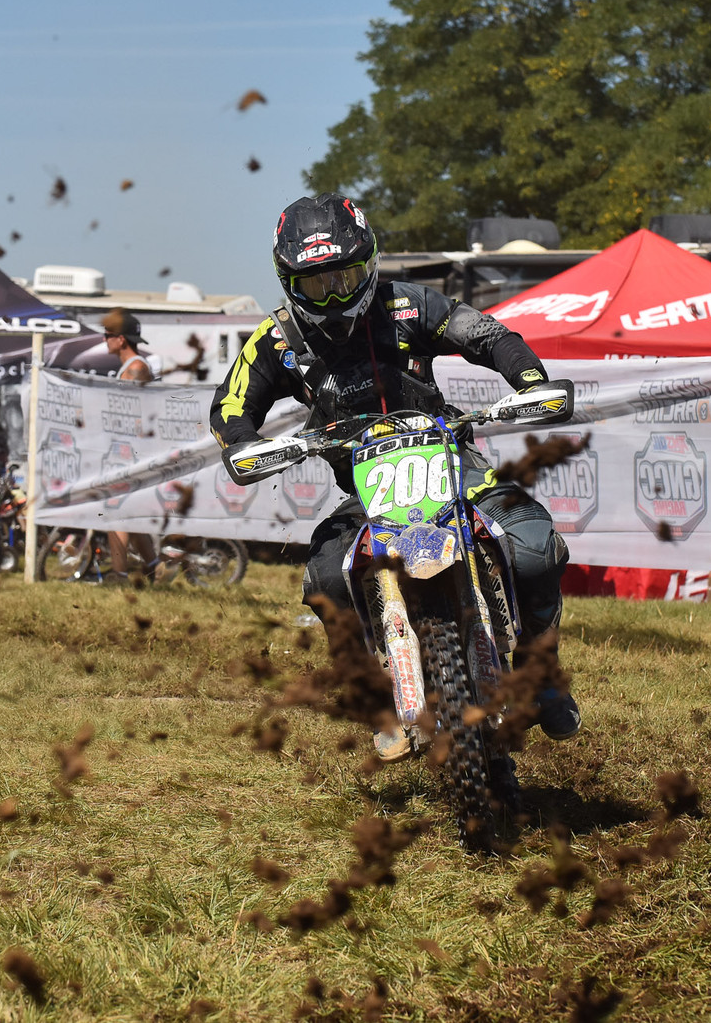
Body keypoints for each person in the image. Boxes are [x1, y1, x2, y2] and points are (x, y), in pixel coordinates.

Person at [207, 193, 580, 761]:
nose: (334, 295)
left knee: (535, 548)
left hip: (454, 465)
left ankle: (541, 668)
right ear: (288, 283)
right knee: (327, 579)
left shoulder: (409, 303)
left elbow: (488, 335)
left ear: (371, 261)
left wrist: (530, 382)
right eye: (316, 285)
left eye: (345, 277)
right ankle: (378, 701)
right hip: (366, 491)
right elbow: (231, 406)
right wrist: (245, 444)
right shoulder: (278, 338)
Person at [102, 310, 153, 583]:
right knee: (128, 514)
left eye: (107, 335)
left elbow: (128, 411)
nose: (105, 339)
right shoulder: (131, 367)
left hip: (129, 452)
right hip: (124, 450)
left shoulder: (136, 368)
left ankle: (119, 575)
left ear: (121, 339)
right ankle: (156, 567)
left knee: (115, 512)